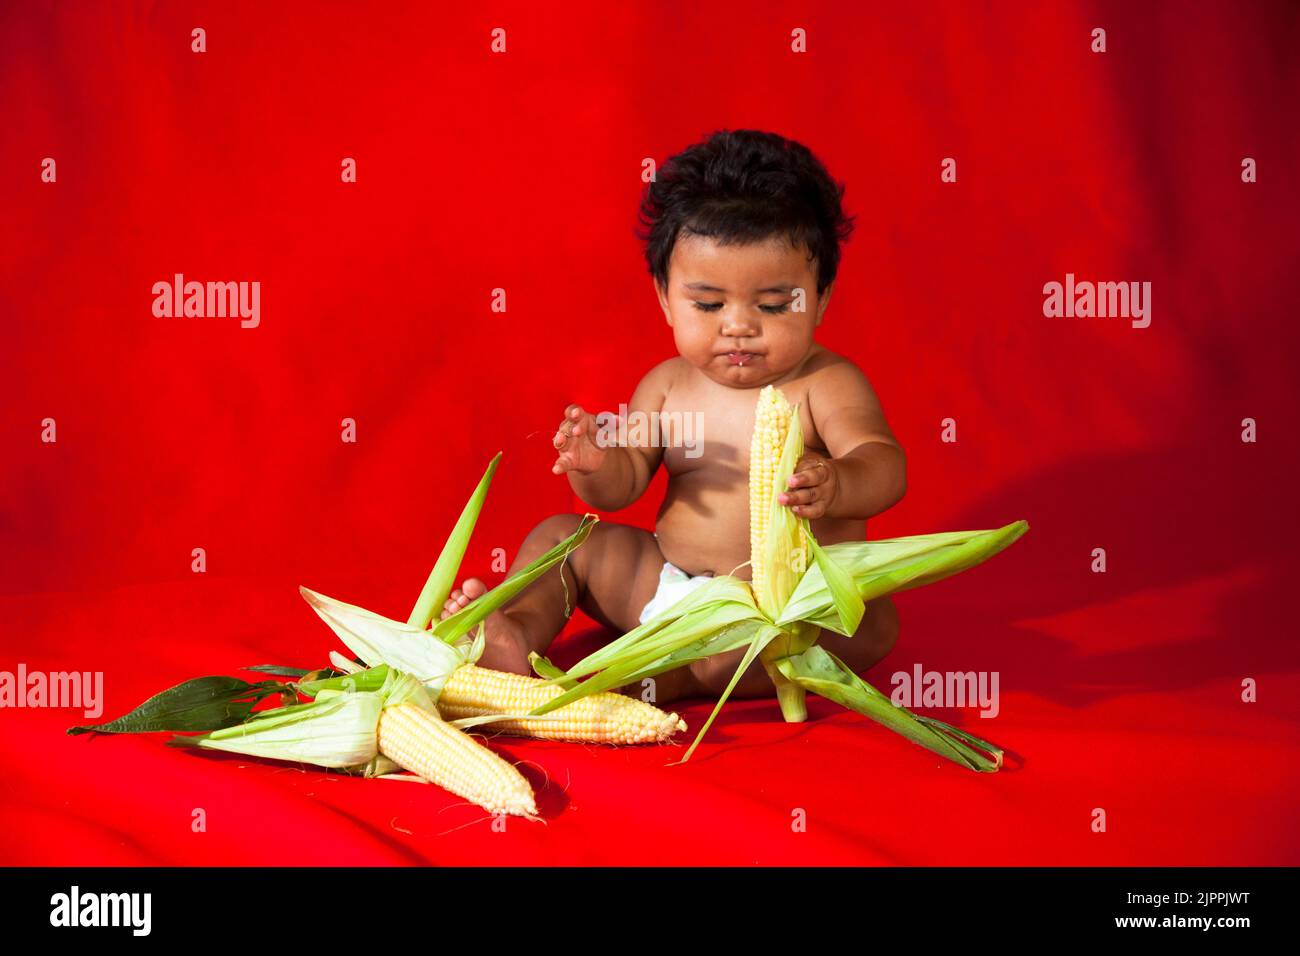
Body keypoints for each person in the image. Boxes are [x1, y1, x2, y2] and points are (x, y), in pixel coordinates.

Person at [445, 129, 904, 704]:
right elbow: (623, 483)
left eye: (772, 304)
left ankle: (678, 677)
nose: (738, 325)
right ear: (665, 297)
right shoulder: (667, 386)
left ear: (822, 296)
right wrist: (595, 463)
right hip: (667, 584)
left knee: (872, 620)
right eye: (708, 304)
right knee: (562, 538)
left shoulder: (825, 385)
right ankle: (516, 630)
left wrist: (840, 483)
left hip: (775, 608)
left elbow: (884, 464)